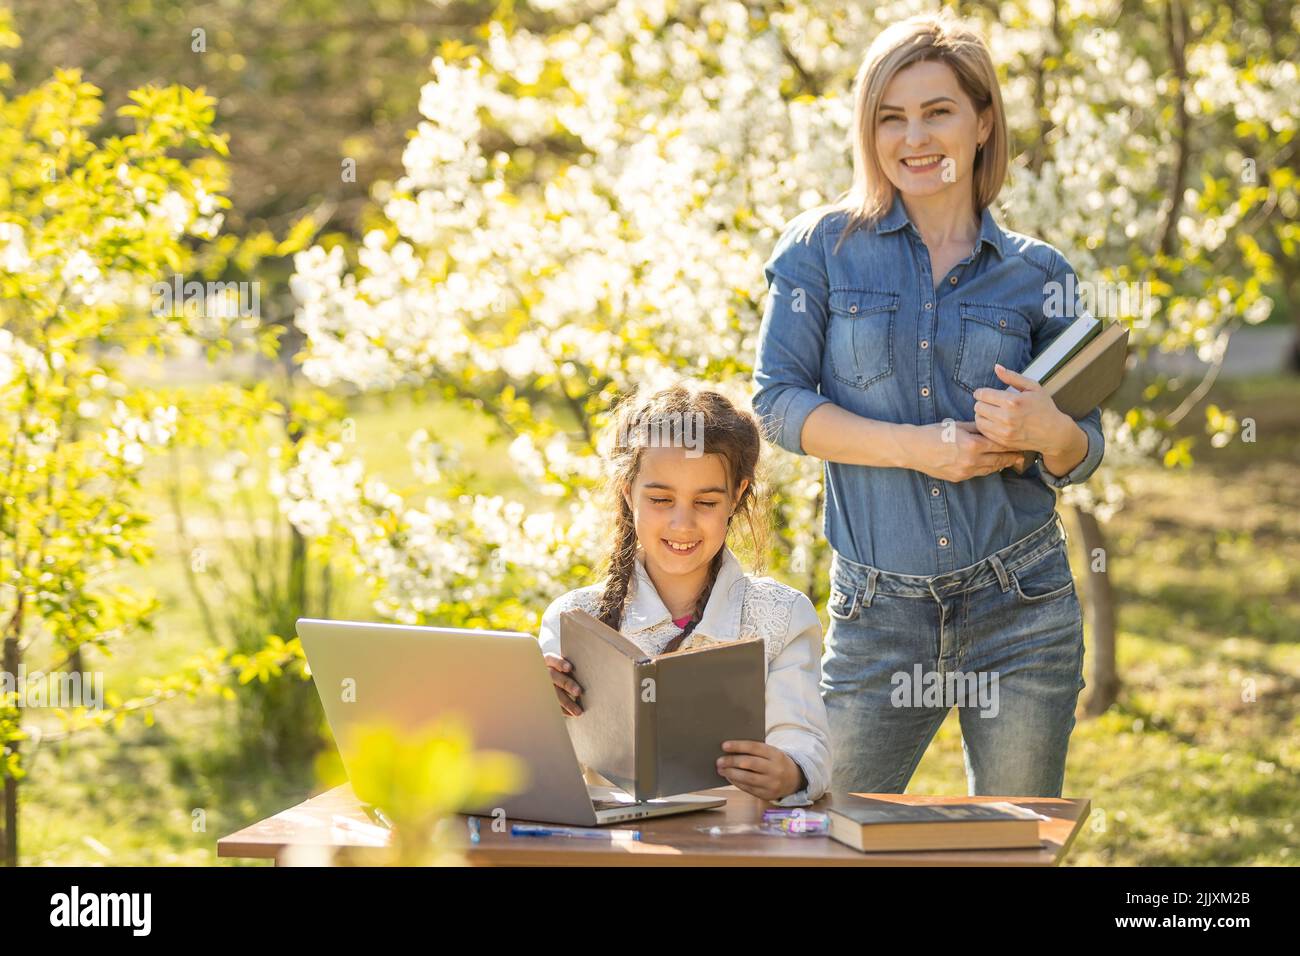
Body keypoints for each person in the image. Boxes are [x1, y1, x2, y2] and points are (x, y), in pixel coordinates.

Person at [752, 11, 1102, 798]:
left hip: (1024, 604)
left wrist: (1051, 433)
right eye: (890, 117)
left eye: (937, 111)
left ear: (982, 122)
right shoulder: (821, 250)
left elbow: (1086, 445)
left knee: (1010, 849)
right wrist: (917, 446)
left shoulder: (1036, 272)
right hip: (878, 614)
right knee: (823, 834)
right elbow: (775, 403)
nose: (914, 137)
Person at [537, 382, 831, 805]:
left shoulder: (782, 615)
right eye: (660, 499)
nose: (682, 524)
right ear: (627, 492)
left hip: (736, 843)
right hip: (611, 847)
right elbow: (544, 767)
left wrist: (791, 771)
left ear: (737, 496)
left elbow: (806, 742)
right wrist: (540, 709)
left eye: (706, 503)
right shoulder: (575, 617)